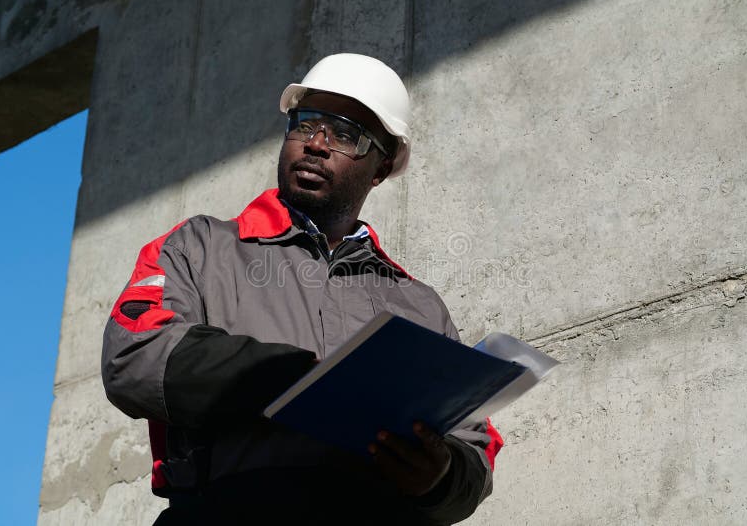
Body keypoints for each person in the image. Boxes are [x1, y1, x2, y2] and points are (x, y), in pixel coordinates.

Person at [102, 53, 503, 525]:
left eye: (345, 134)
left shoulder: (419, 305)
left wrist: (441, 476)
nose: (316, 144)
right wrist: (293, 377)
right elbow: (136, 353)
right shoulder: (201, 247)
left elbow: (475, 443)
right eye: (307, 123)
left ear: (381, 167)